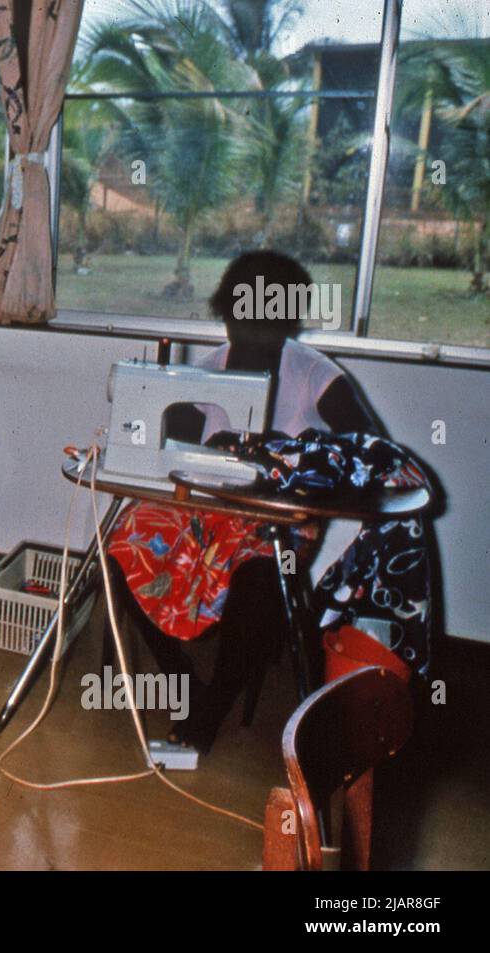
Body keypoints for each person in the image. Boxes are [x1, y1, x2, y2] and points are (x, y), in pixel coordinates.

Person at [106, 250, 376, 753]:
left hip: (280, 519)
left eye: (260, 326)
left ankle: (214, 703)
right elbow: (172, 456)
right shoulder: (209, 371)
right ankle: (181, 677)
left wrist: (286, 456)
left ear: (285, 322)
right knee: (121, 545)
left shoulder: (318, 376)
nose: (245, 340)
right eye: (237, 323)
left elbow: (368, 452)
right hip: (207, 509)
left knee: (261, 576)